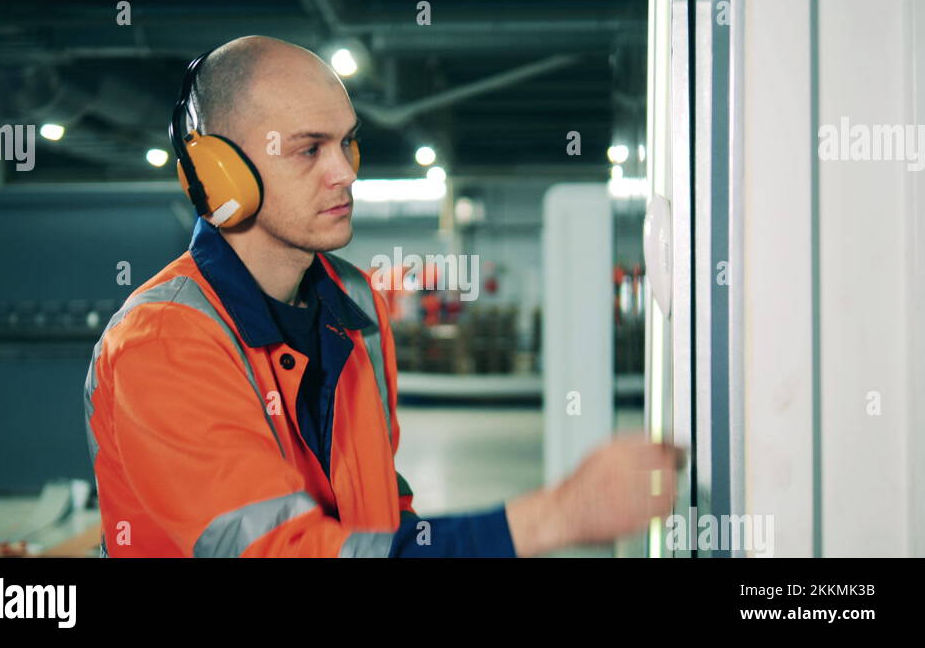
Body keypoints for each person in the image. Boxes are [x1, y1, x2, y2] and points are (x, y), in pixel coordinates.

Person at [83, 35, 683, 558]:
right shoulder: (162, 342)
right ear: (220, 174)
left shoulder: (355, 303)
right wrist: (559, 517)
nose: (345, 172)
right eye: (309, 149)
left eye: (348, 143)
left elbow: (382, 505)